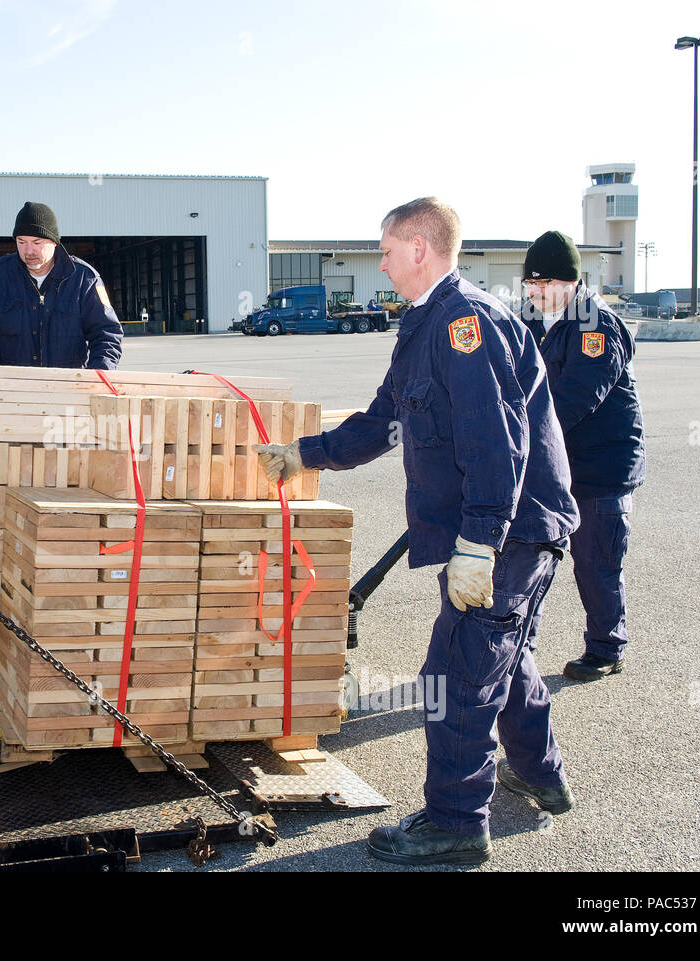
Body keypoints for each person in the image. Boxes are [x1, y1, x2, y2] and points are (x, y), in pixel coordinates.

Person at [255, 198, 580, 865]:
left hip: (511, 533)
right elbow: (382, 422)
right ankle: (541, 776)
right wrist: (302, 454)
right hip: (509, 531)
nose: (378, 262)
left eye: (384, 249)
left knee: (457, 672)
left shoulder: (466, 324)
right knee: (504, 655)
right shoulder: (426, 324)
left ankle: (458, 822)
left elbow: (497, 442)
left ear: (419, 248)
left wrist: (479, 544)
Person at [519, 231, 646, 681]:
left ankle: (606, 647)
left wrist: (520, 432)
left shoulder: (597, 326)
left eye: (547, 284)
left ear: (573, 282)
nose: (537, 293)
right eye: (530, 285)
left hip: (601, 468)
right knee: (530, 558)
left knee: (596, 562)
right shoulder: (534, 320)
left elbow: (575, 398)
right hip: (556, 464)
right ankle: (519, 645)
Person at [0, 202, 122, 387]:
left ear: (54, 242)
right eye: (21, 242)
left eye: (36, 243)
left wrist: (96, 383)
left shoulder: (84, 280)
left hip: (68, 395)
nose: (28, 251)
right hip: (8, 397)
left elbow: (106, 335)